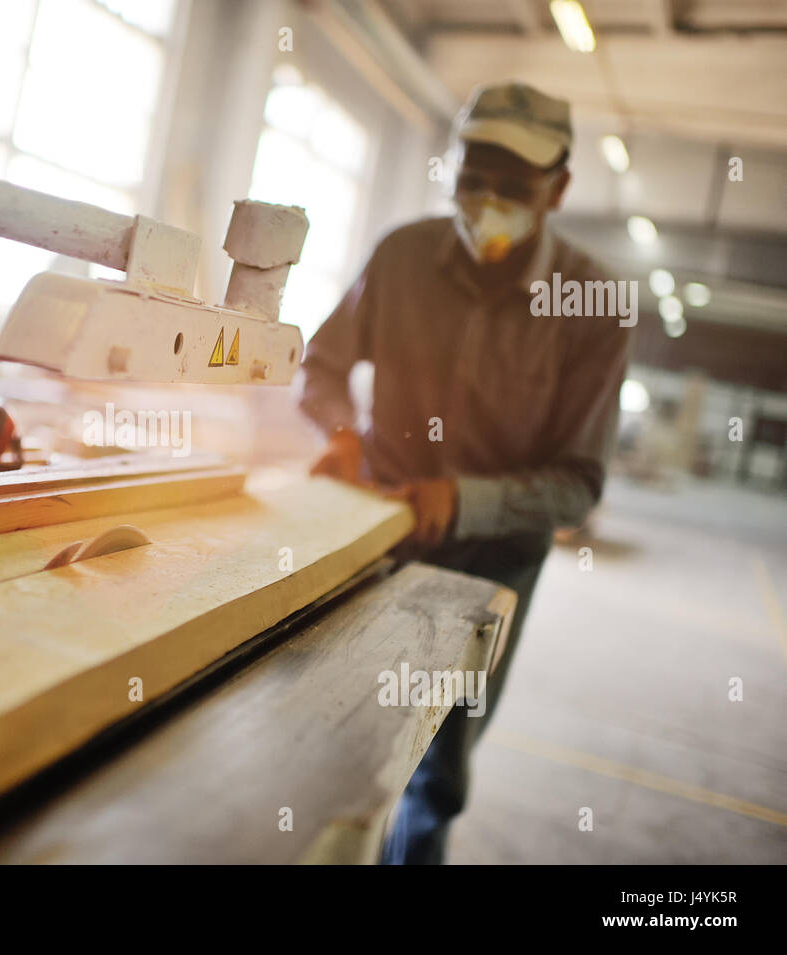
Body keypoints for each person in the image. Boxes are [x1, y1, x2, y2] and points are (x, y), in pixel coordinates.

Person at [299, 81, 632, 864]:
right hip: (380, 537)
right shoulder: (402, 255)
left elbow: (579, 484)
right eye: (472, 176)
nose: (487, 199)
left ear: (560, 191)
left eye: (513, 186)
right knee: (334, 738)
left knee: (433, 770)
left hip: (492, 566)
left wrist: (464, 501)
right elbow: (320, 366)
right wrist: (343, 433)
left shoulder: (593, 303)